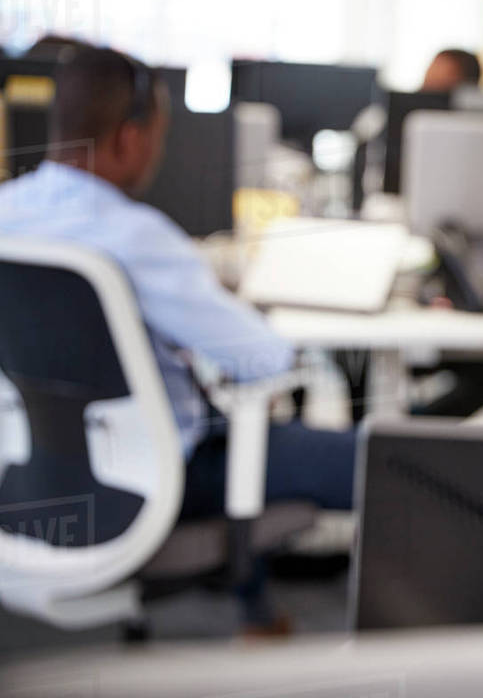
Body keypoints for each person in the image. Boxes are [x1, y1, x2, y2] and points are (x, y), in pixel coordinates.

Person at [0, 44, 357, 627]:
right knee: (382, 458)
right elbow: (264, 361)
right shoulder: (138, 238)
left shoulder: (6, 211)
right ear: (131, 138)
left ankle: (258, 618)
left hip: (35, 473)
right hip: (156, 480)